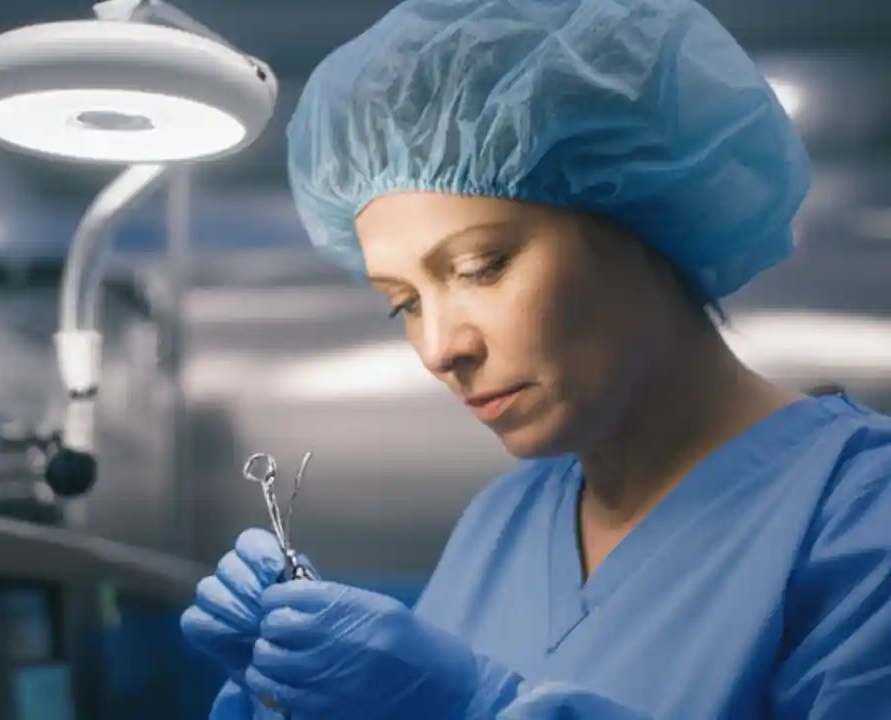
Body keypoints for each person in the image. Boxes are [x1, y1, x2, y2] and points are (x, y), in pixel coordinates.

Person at [179, 0, 891, 718]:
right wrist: (296, 694)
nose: (439, 348)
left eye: (483, 265)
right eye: (405, 303)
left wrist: (474, 708)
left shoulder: (860, 520)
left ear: (639, 214)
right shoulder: (504, 520)